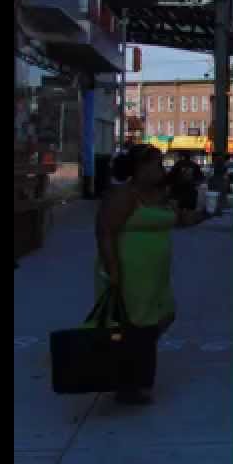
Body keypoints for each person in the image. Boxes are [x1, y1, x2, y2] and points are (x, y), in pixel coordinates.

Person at [93, 144, 208, 405]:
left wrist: (205, 213)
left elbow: (179, 220)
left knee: (163, 316)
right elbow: (105, 232)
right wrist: (112, 269)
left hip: (154, 274)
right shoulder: (124, 196)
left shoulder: (160, 195)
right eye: (155, 164)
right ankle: (131, 385)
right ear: (139, 169)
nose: (160, 169)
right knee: (137, 326)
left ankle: (132, 370)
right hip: (128, 270)